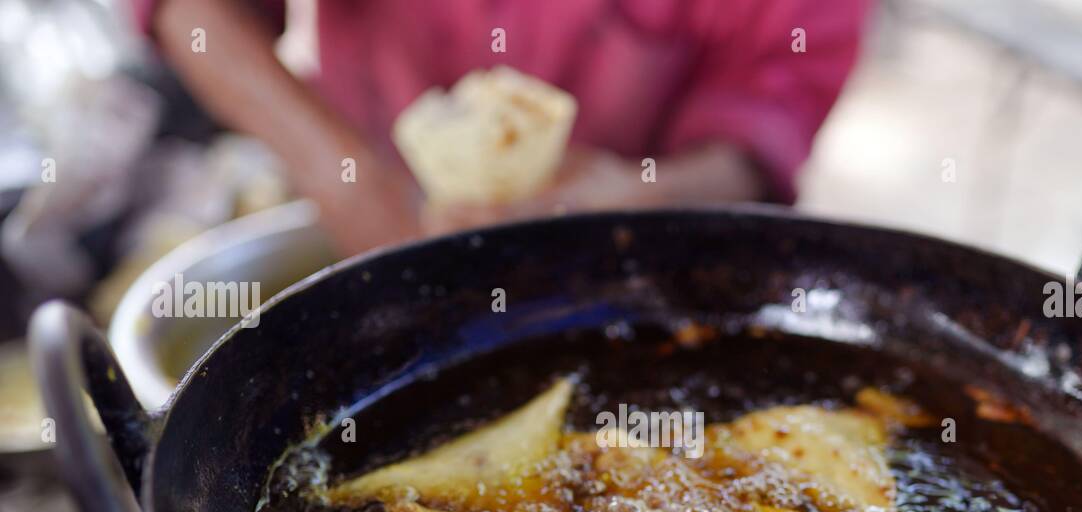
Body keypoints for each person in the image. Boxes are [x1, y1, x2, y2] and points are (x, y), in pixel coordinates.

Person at [132, 0, 870, 255]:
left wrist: (653, 195)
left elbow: (779, 92)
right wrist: (342, 175)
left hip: (637, 260)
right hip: (360, 220)